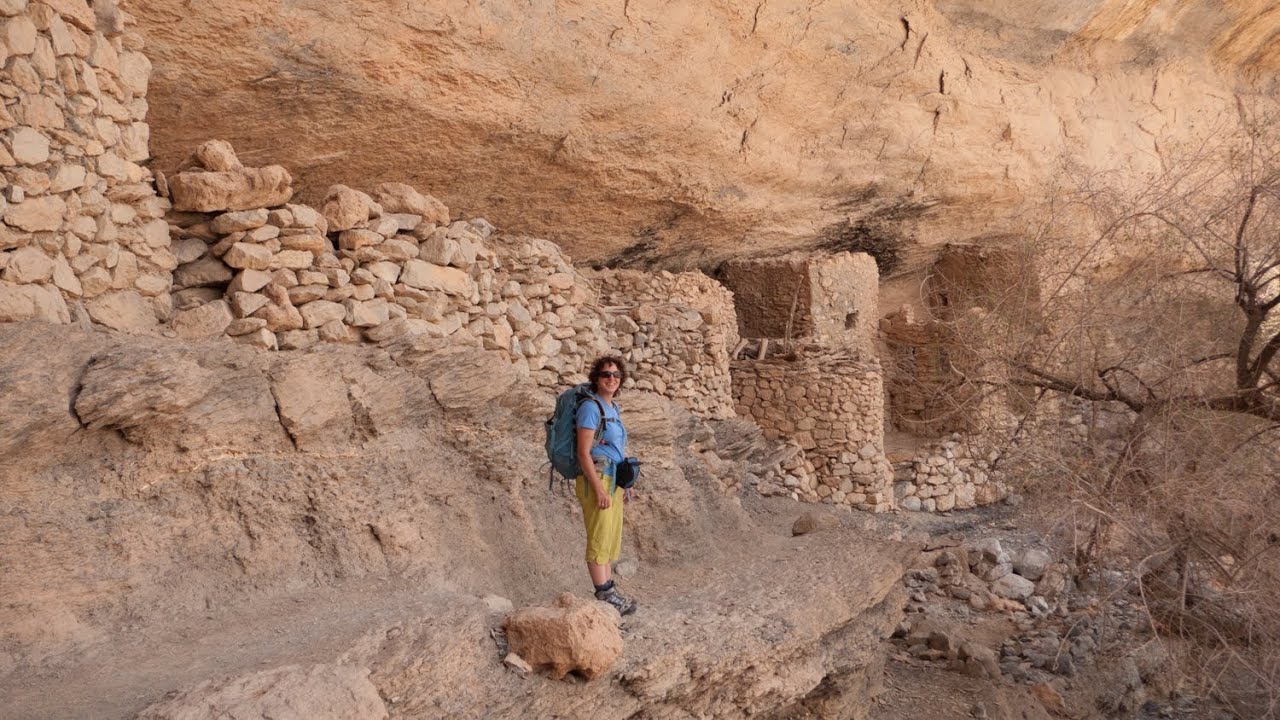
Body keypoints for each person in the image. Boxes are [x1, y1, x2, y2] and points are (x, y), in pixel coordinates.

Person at [575, 355, 637, 615]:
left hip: (614, 478)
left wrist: (627, 480)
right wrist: (599, 488)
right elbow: (583, 453)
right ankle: (603, 592)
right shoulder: (591, 408)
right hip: (597, 479)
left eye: (615, 375)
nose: (611, 379)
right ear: (596, 379)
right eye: (605, 374)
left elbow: (617, 448)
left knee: (610, 536)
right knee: (599, 536)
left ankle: (610, 590)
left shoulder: (613, 408)